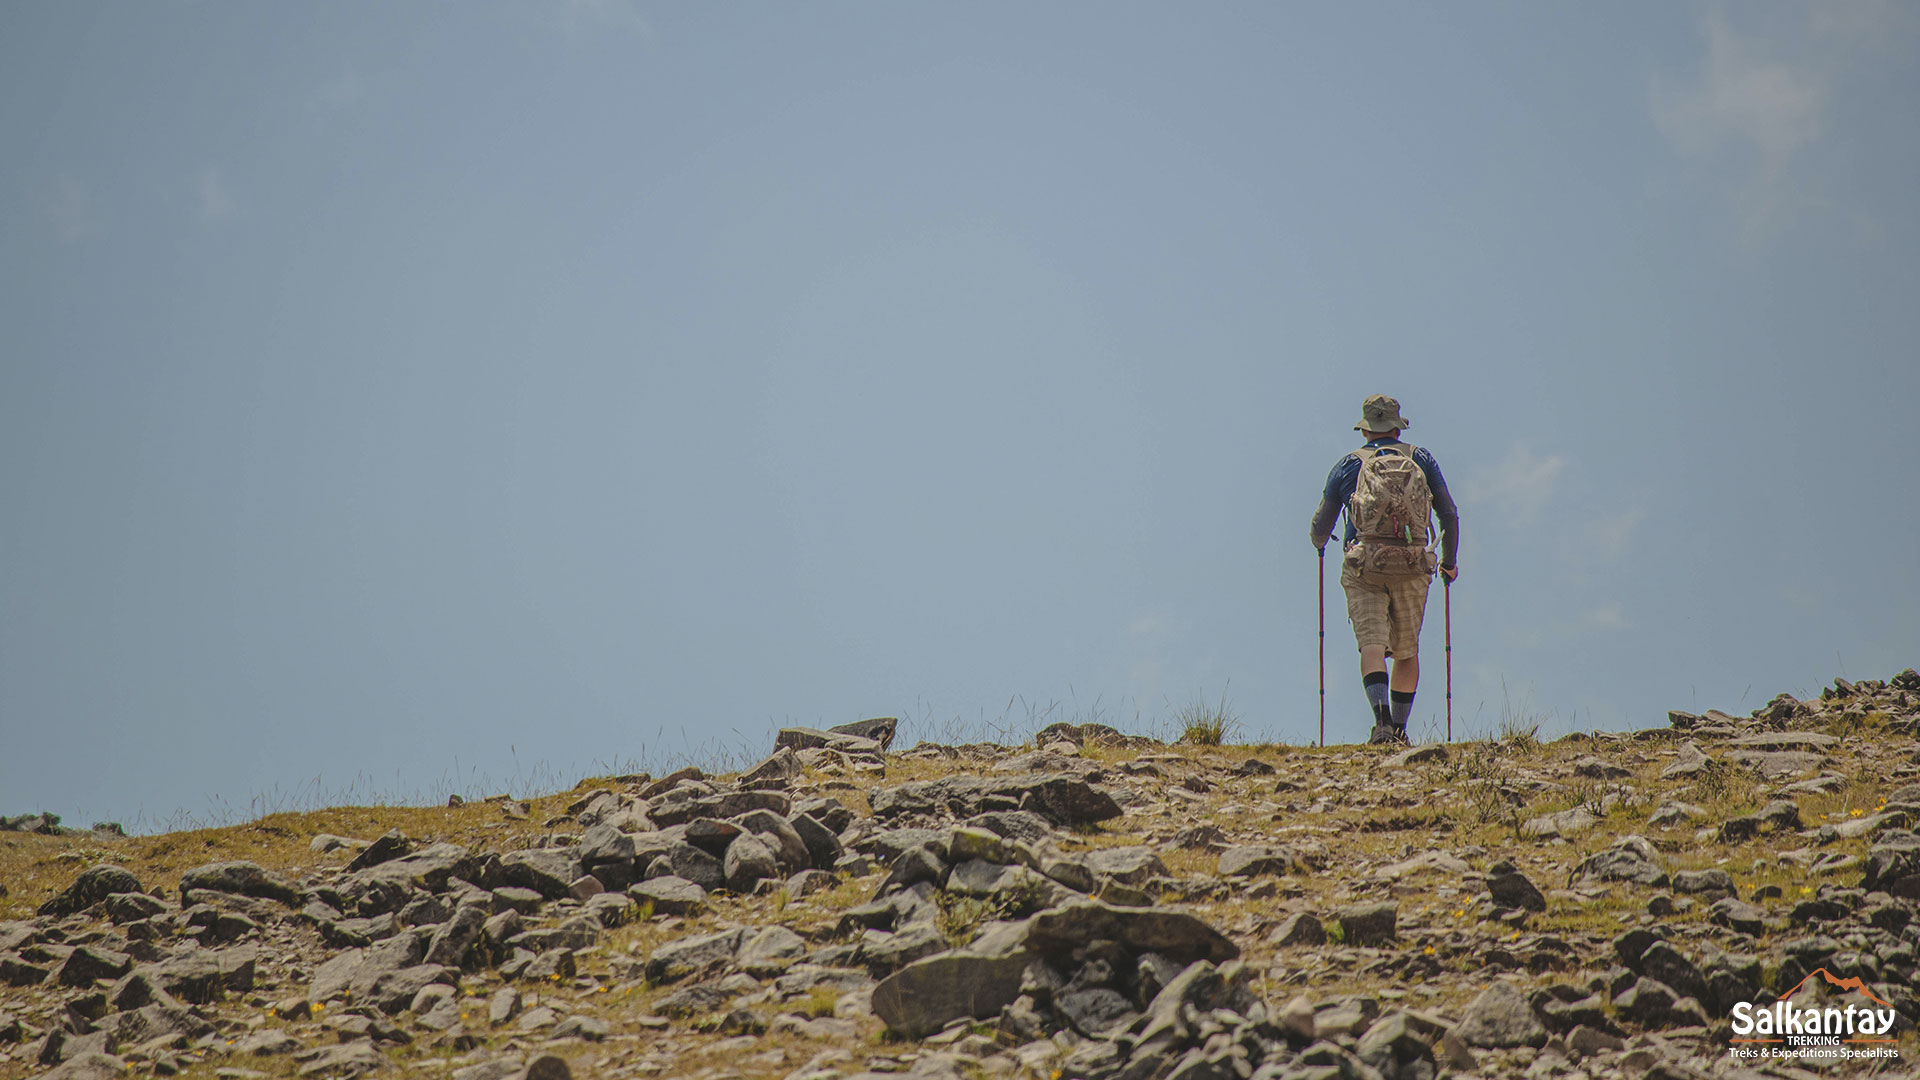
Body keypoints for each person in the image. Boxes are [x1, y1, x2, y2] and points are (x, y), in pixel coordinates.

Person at [1308, 395, 1460, 745]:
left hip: (1365, 568)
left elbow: (1320, 525)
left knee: (1372, 646)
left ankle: (1381, 725)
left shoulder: (1348, 465)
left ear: (1365, 430)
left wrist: (1320, 544)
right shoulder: (1421, 459)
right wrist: (1449, 562)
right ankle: (1401, 731)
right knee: (1407, 651)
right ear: (1397, 426)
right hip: (1412, 566)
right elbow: (1449, 514)